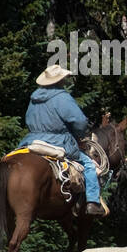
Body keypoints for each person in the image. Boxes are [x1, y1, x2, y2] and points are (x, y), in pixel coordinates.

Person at [18, 64, 106, 216]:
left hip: (32, 140)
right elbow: (79, 121)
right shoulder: (62, 97)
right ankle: (92, 202)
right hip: (59, 141)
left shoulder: (34, 97)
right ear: (60, 81)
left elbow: (28, 119)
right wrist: (79, 135)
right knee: (90, 166)